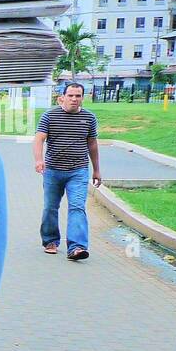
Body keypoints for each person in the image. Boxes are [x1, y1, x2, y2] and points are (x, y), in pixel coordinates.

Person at [33, 81, 101, 260]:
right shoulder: (49, 116)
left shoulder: (89, 118)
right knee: (50, 207)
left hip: (78, 171)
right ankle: (50, 241)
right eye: (70, 95)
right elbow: (39, 139)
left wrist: (96, 170)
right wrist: (39, 160)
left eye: (78, 96)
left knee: (77, 207)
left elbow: (92, 144)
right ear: (62, 96)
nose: (74, 99)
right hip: (53, 171)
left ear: (82, 98)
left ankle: (77, 247)